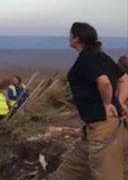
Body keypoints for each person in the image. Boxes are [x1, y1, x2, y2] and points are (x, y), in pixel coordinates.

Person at [50, 22, 128, 180]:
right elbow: (124, 78)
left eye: (70, 35)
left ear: (77, 38)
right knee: (64, 175)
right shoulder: (102, 57)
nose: (68, 37)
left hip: (104, 130)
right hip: (93, 131)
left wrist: (107, 103)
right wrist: (120, 100)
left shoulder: (86, 60)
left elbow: (104, 81)